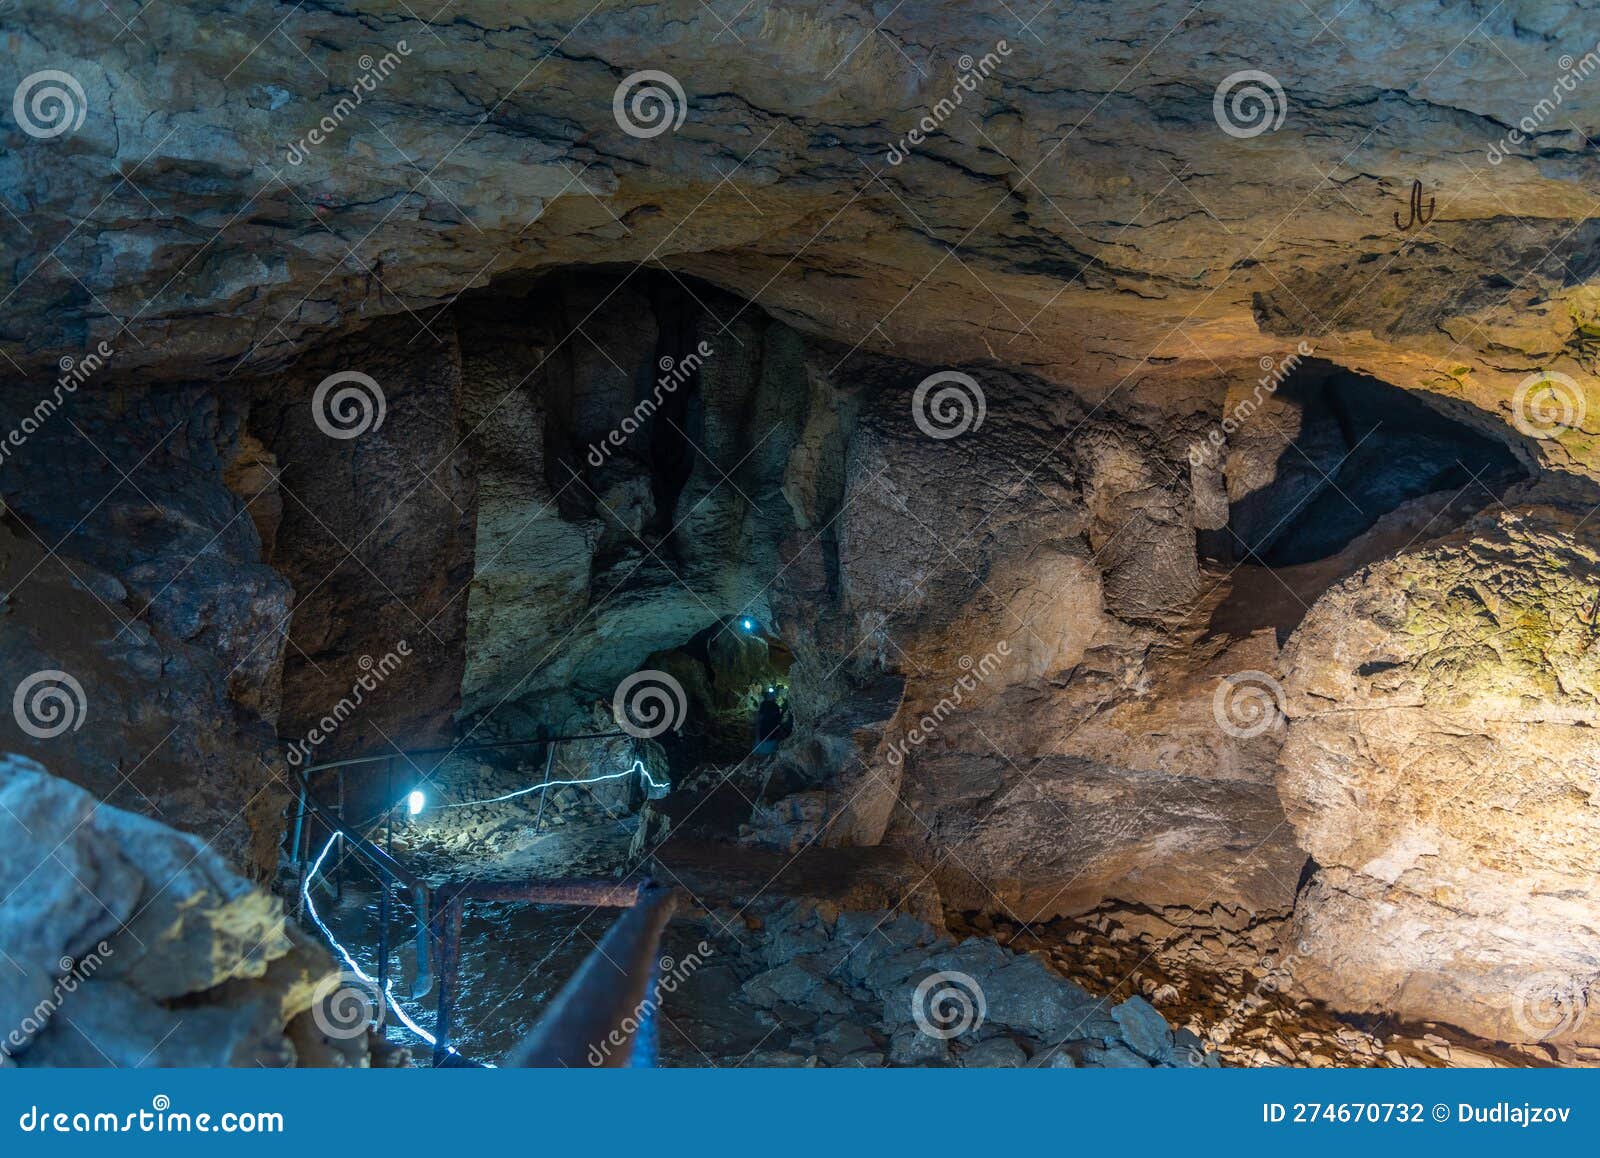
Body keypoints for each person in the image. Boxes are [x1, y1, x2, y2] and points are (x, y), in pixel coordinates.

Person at [752, 686, 787, 756]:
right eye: (771, 695)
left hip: (768, 734)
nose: (773, 696)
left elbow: (777, 720)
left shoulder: (768, 705)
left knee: (763, 754)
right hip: (767, 734)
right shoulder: (766, 705)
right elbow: (760, 718)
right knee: (765, 754)